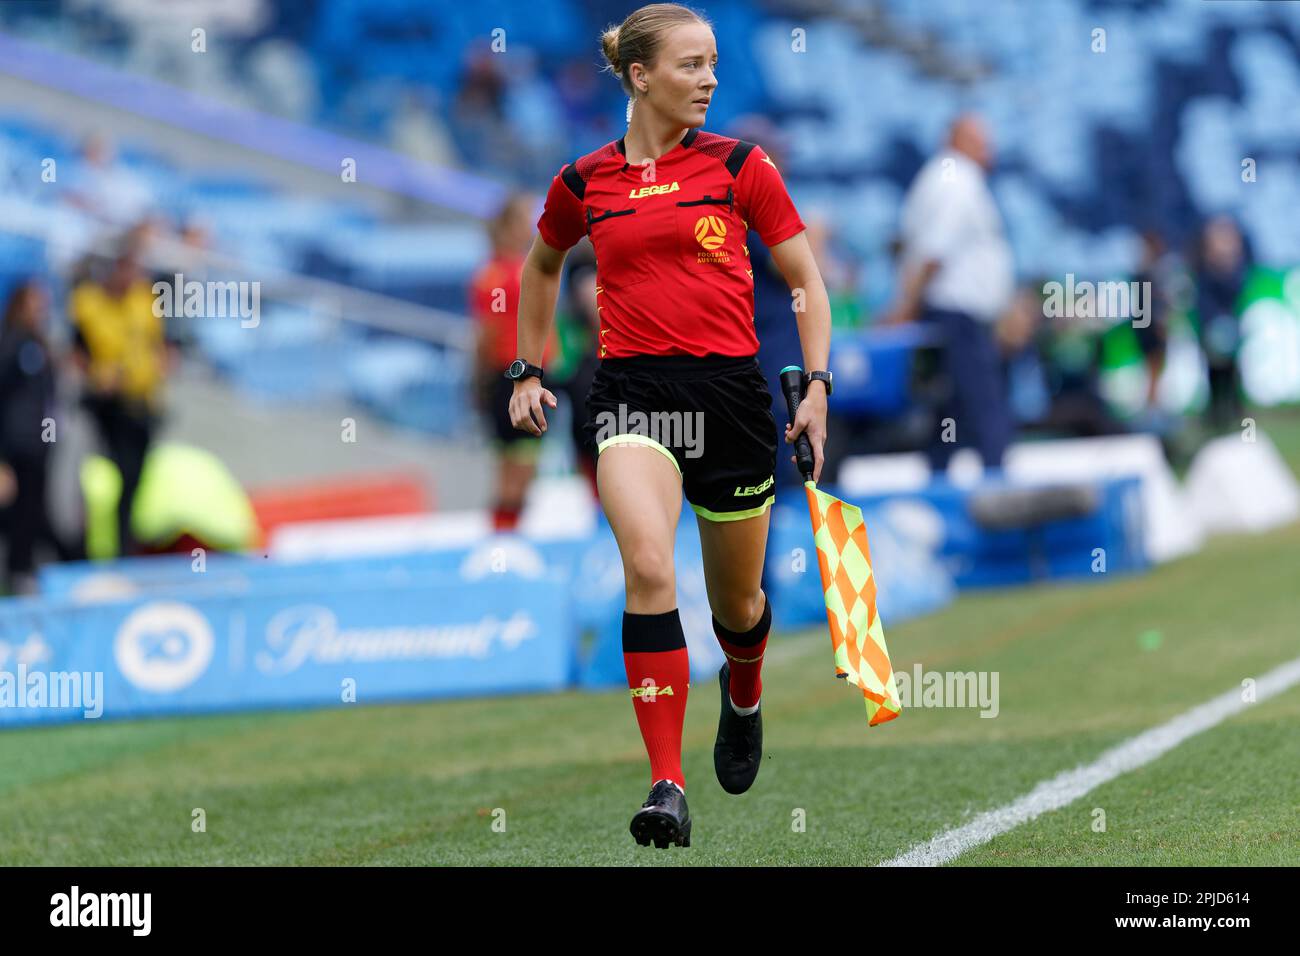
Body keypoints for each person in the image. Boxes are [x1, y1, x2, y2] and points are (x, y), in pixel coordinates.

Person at [506, 2, 831, 848]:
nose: (710, 79)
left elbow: (805, 280)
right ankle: (666, 782)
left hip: (729, 400)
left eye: (714, 63)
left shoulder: (741, 165)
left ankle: (746, 691)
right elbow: (541, 264)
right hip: (632, 399)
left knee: (739, 602)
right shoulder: (584, 182)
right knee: (648, 567)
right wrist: (528, 367)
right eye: (691, 65)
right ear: (640, 76)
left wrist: (818, 384)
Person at [885, 114, 1015, 473]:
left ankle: (938, 478)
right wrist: (906, 306)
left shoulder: (938, 178)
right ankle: (998, 488)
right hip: (955, 313)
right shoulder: (957, 179)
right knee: (985, 404)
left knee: (950, 407)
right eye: (982, 141)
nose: (990, 151)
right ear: (959, 140)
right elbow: (933, 253)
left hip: (948, 312)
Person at [70, 236, 169, 556]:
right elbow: (76, 353)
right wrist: (95, 378)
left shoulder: (145, 299)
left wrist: (162, 362)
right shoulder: (89, 303)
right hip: (104, 408)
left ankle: (124, 548)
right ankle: (88, 549)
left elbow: (160, 345)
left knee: (134, 480)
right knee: (100, 480)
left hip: (141, 406)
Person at [468, 191, 553, 532]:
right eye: (523, 220)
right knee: (517, 468)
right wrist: (480, 380)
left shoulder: (512, 270)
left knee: (517, 466)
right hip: (513, 379)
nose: (531, 227)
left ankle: (505, 537)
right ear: (507, 227)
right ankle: (503, 540)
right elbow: (488, 333)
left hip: (524, 376)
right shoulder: (500, 276)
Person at [0, 280, 77, 593]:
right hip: (15, 446)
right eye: (35, 303)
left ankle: (25, 572)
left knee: (33, 513)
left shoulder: (41, 346)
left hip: (38, 447)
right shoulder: (10, 343)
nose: (41, 311)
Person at [1191, 215, 1251, 432]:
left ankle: (1235, 419)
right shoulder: (1203, 269)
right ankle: (1216, 420)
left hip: (1229, 330)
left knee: (1232, 376)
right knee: (1214, 376)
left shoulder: (1236, 269)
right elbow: (1202, 303)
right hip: (1210, 330)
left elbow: (1236, 293)